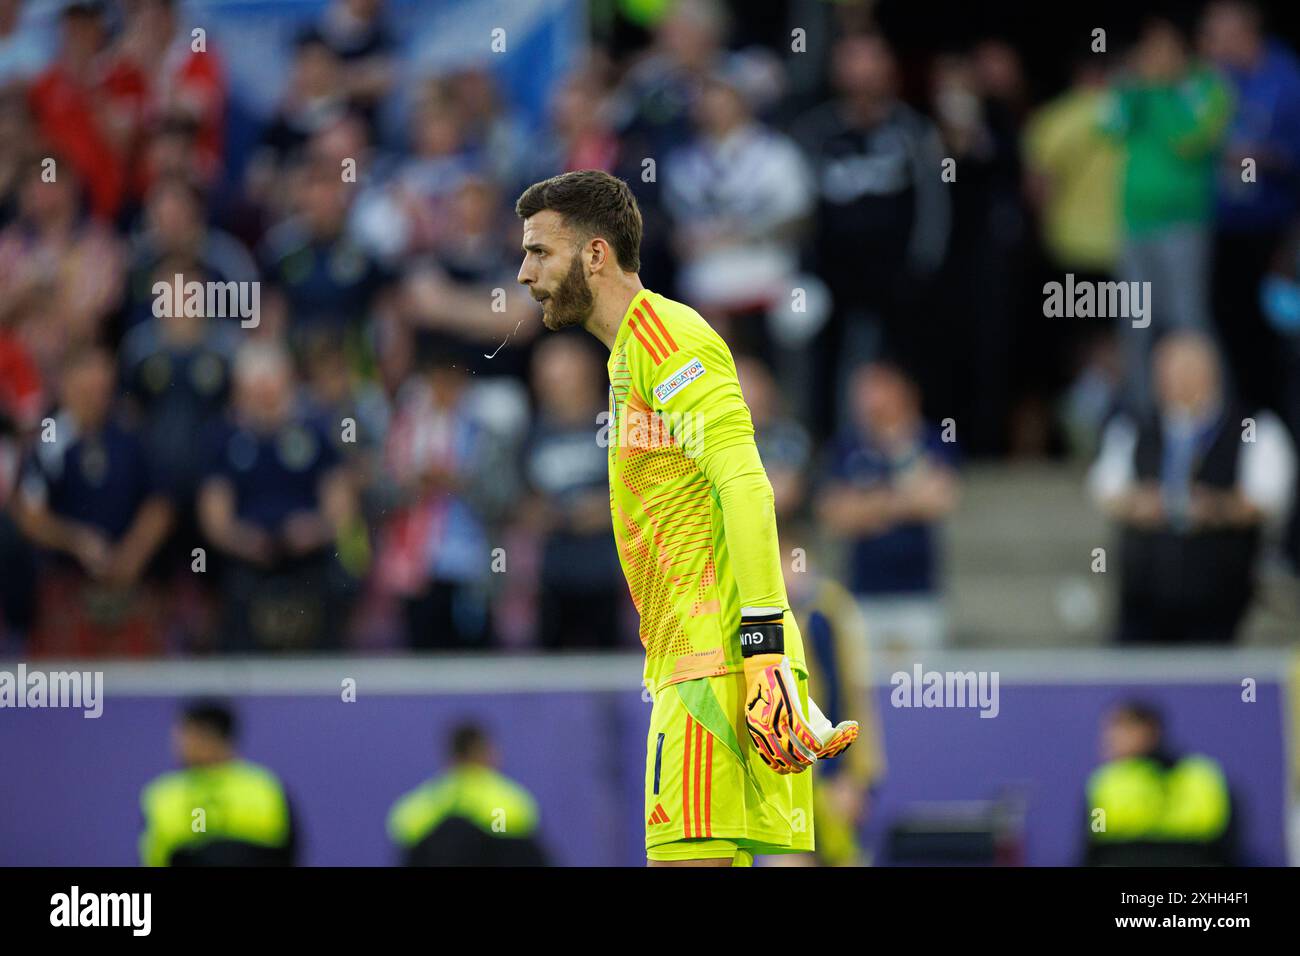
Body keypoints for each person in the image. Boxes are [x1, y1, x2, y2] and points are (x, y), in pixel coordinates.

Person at [515, 169, 858, 867]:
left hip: (720, 669)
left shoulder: (667, 338)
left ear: (595, 255)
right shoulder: (629, 357)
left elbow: (746, 481)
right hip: (703, 663)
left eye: (539, 252)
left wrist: (762, 651)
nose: (523, 273)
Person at [1088, 331, 1296, 644]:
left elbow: (1267, 497)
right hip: (1143, 607)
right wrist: (1141, 504)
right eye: (1167, 372)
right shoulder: (1135, 427)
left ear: (1211, 373)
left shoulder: (1253, 426)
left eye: (1185, 371)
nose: (1174, 382)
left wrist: (1214, 508)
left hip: (1222, 606)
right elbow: (1104, 488)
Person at [13, 346, 173, 656]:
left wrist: (132, 554)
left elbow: (160, 503)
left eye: (102, 389)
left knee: (138, 686)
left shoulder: (130, 434)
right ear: (65, 386)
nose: (96, 397)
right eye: (87, 389)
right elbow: (30, 515)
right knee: (63, 692)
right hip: (69, 582)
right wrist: (78, 542)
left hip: (131, 582)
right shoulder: (48, 440)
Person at [816, 360, 960, 651]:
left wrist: (869, 506)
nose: (866, 400)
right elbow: (834, 514)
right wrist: (904, 502)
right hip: (863, 594)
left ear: (900, 392)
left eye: (875, 389)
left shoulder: (930, 439)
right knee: (864, 688)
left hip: (919, 594)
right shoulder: (847, 446)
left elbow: (940, 498)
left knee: (923, 688)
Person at [140, 700, 298, 866]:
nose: (180, 745)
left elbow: (288, 853)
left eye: (188, 735)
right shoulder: (163, 795)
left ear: (213, 736)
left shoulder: (265, 789)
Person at [1082, 700, 1235, 866]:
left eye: (1122, 730)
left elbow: (1228, 849)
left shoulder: (1205, 779)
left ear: (1149, 731)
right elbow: (1094, 848)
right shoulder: (1106, 785)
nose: (1110, 740)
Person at [387, 722, 547, 866]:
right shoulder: (509, 803)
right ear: (482, 752)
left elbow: (404, 831)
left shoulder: (417, 807)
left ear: (452, 755)